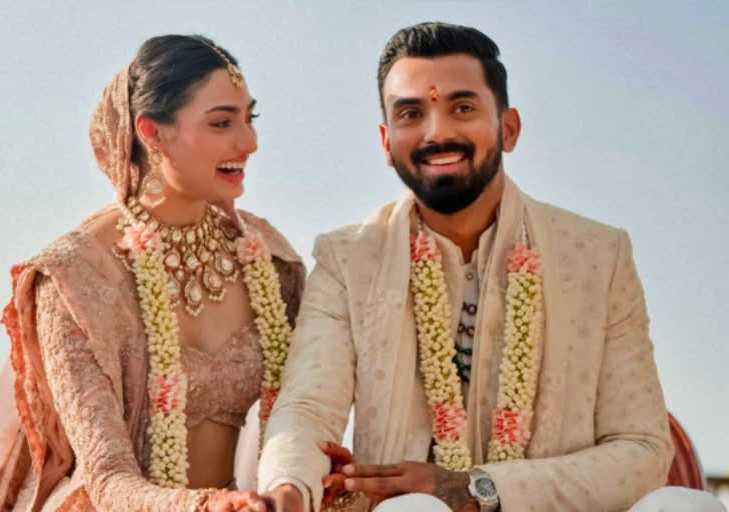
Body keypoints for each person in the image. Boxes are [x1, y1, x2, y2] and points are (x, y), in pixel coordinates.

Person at [257, 22, 725, 512]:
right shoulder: (349, 258)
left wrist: (478, 488)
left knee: (689, 507)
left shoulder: (597, 257)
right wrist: (289, 489)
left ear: (509, 128)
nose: (437, 133)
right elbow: (307, 409)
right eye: (411, 114)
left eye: (462, 108)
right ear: (386, 141)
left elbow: (641, 451)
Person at [0, 34, 305, 511]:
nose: (249, 142)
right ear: (151, 133)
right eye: (222, 123)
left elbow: (300, 424)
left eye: (251, 118)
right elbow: (106, 477)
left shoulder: (270, 262)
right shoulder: (74, 279)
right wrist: (204, 507)